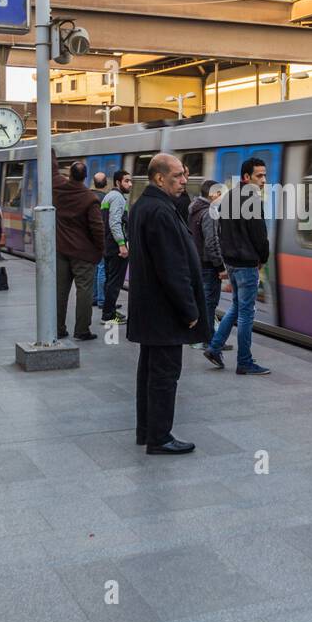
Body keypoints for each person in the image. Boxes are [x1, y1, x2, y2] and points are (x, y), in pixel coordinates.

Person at [127, 153, 210, 455]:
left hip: (150, 308)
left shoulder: (142, 206)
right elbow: (172, 267)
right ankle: (160, 437)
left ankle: (147, 431)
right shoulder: (161, 212)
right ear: (160, 178)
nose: (184, 181)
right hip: (164, 311)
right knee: (164, 375)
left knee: (149, 371)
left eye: (184, 175)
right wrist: (189, 310)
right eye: (177, 176)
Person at [204, 157, 270, 375]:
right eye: (259, 175)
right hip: (246, 264)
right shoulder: (252, 200)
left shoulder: (229, 197)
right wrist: (263, 257)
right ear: (246, 177)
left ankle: (214, 347)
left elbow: (221, 231)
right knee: (245, 314)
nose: (264, 180)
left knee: (235, 307)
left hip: (231, 262)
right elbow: (259, 236)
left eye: (265, 175)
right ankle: (244, 361)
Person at [54, 160, 104, 341]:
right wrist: (100, 251)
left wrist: (50, 150)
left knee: (60, 291)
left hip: (61, 250)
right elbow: (97, 228)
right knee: (84, 291)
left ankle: (58, 328)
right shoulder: (90, 198)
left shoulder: (59, 191)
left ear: (70, 174)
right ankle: (82, 330)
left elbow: (52, 173)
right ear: (85, 177)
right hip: (83, 253)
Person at [188, 179, 230, 351]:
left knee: (202, 302)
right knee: (209, 303)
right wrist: (220, 267)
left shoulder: (193, 209)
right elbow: (212, 243)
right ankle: (208, 339)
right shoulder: (210, 212)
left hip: (196, 262)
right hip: (208, 265)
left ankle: (200, 336)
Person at [100, 170, 132, 324]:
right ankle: (108, 315)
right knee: (115, 281)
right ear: (118, 182)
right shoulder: (118, 198)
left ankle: (110, 310)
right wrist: (122, 244)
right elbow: (115, 222)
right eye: (126, 181)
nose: (130, 184)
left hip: (107, 244)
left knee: (109, 280)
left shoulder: (108, 196)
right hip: (115, 246)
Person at [92, 171, 108, 308]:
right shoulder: (107, 199)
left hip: (89, 239)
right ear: (106, 183)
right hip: (102, 238)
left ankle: (94, 297)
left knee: (95, 268)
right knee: (102, 268)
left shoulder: (88, 197)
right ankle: (102, 300)